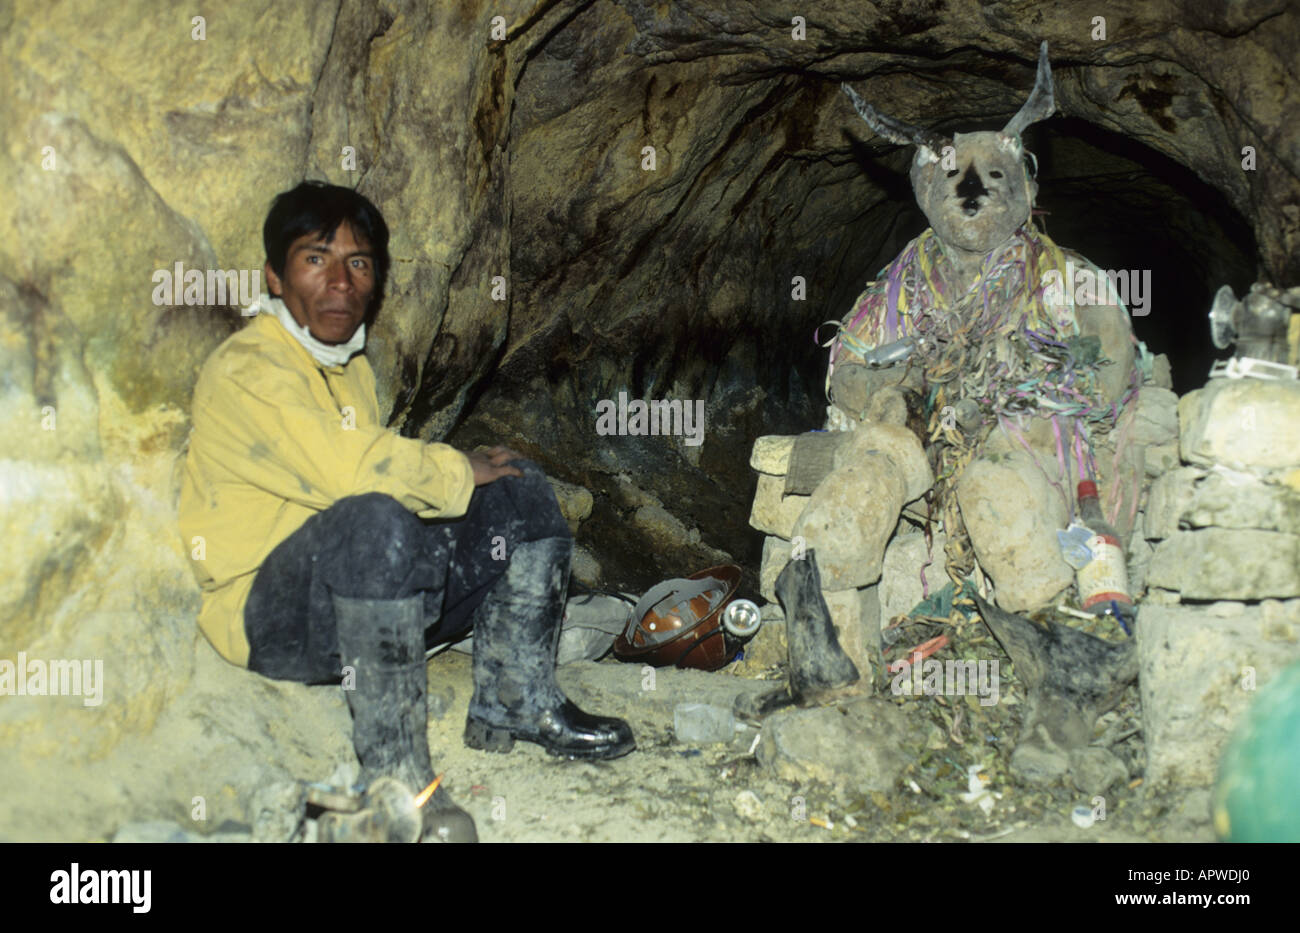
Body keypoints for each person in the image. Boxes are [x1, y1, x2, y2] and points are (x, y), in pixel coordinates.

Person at [178, 180, 634, 843]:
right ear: (275, 277)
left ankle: (517, 699)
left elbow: (376, 462)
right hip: (267, 615)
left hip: (352, 595)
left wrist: (469, 472)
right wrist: (453, 468)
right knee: (376, 519)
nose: (340, 281)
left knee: (518, 487)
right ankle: (396, 783)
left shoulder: (348, 370)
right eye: (315, 258)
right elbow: (350, 474)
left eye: (359, 263)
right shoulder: (247, 368)